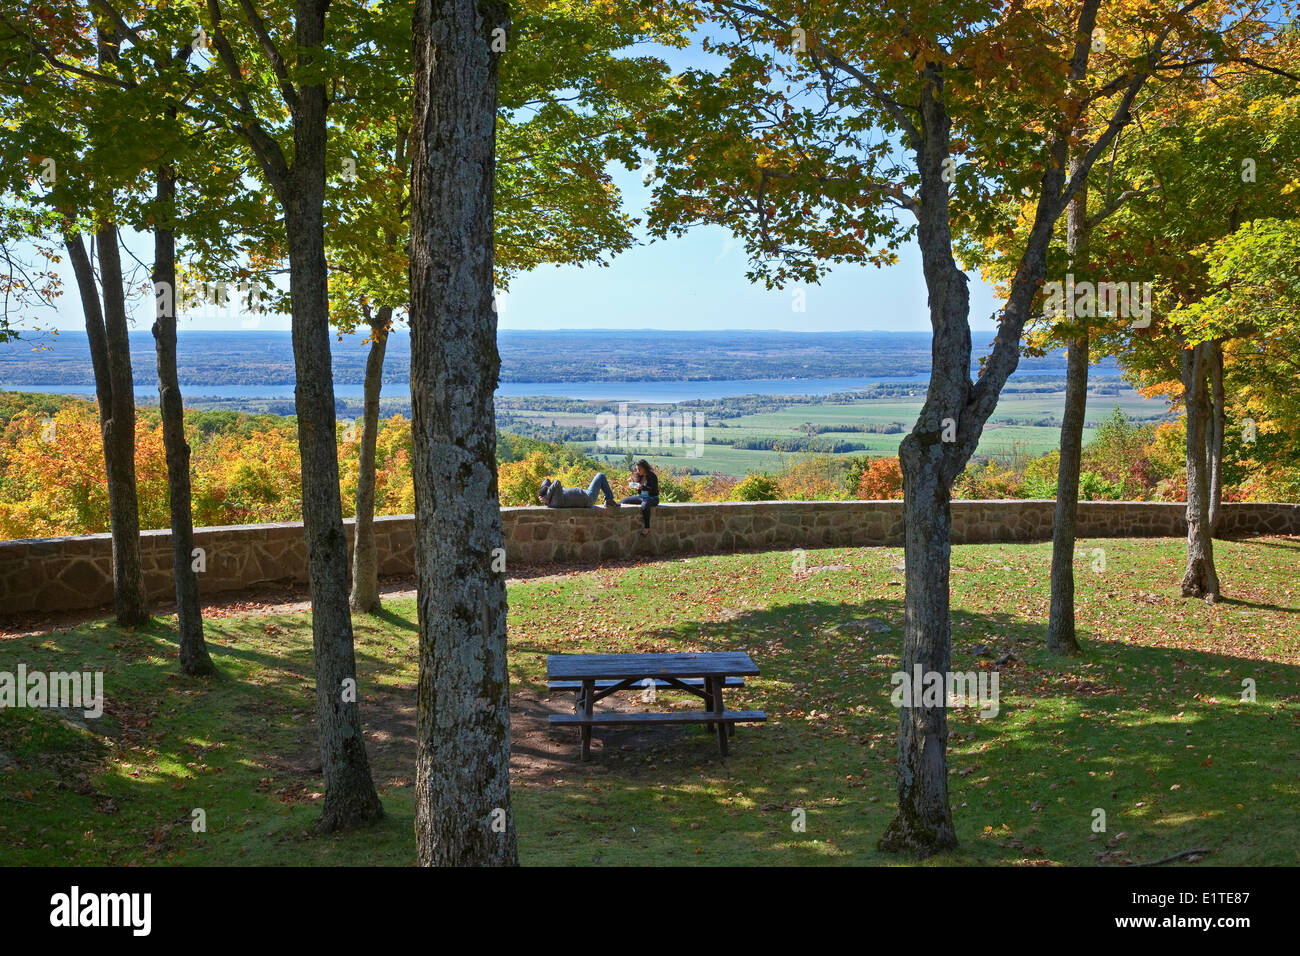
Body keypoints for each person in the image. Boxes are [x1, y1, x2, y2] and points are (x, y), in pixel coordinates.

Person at [620, 459, 660, 535]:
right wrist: (632, 483)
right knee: (623, 501)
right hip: (641, 497)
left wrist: (642, 487)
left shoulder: (652, 476)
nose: (638, 471)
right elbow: (639, 489)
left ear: (645, 468)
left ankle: (647, 527)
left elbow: (653, 490)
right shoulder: (639, 476)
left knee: (644, 505)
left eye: (639, 469)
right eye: (637, 469)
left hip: (653, 498)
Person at [537, 473, 620, 508]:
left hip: (583, 494)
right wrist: (547, 495)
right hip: (588, 498)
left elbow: (547, 481)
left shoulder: (552, 498)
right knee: (600, 476)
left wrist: (541, 496)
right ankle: (609, 500)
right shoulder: (556, 501)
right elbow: (557, 482)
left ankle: (609, 500)